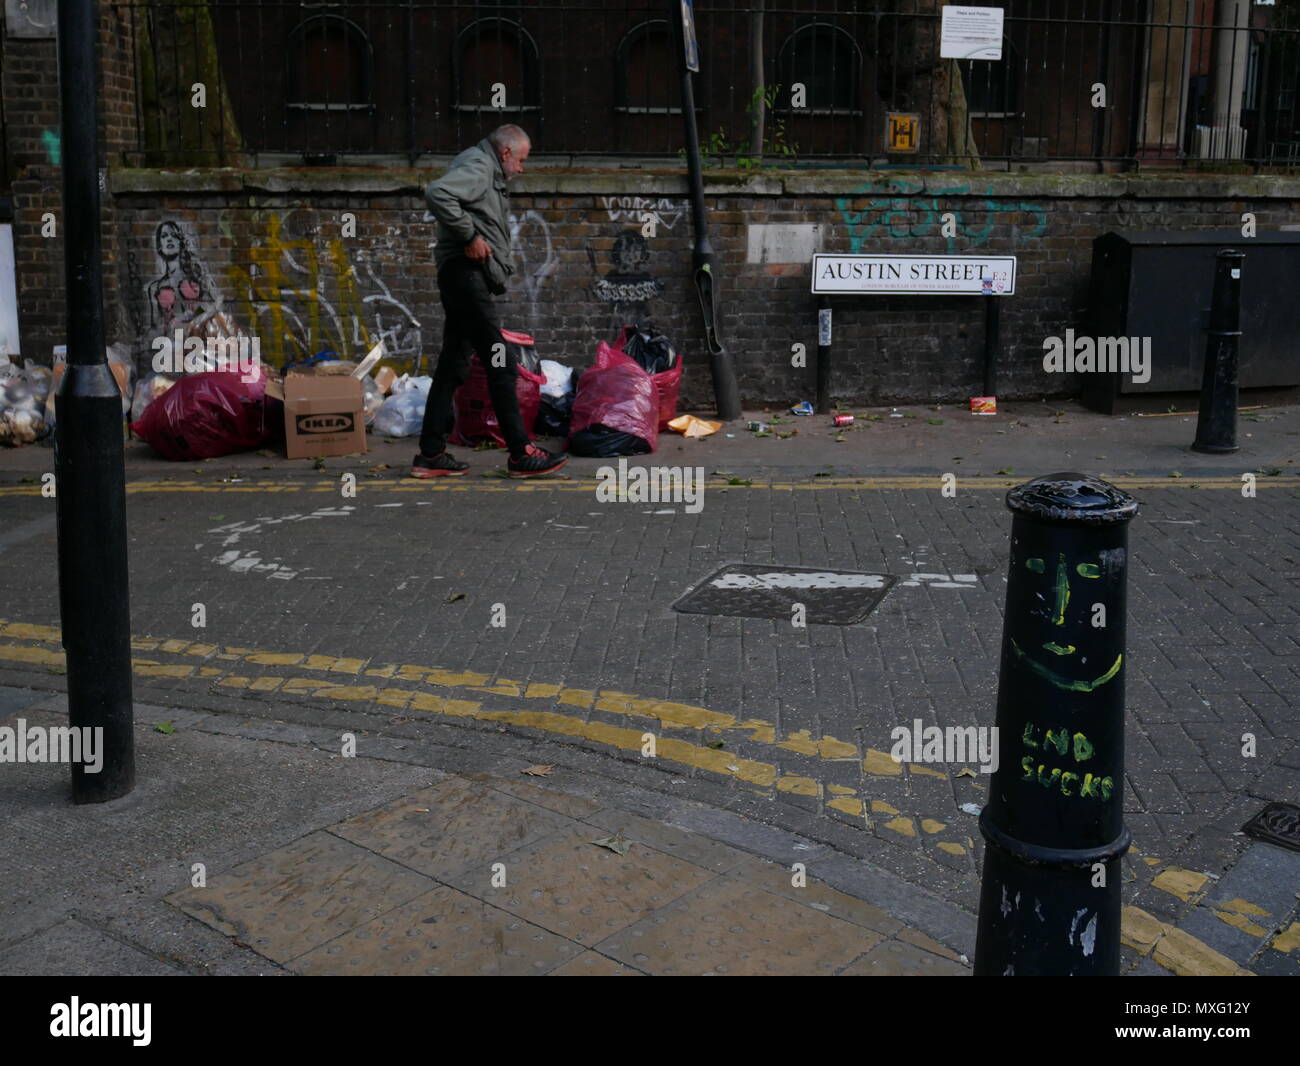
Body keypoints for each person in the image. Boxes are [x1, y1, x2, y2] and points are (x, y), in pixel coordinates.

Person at [410, 124, 567, 478]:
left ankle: (431, 454)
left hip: (462, 277)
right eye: (521, 160)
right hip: (466, 276)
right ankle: (520, 454)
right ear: (506, 152)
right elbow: (438, 193)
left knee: (453, 364)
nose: (522, 169)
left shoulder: (482, 167)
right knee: (501, 360)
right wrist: (470, 236)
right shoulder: (480, 166)